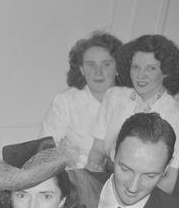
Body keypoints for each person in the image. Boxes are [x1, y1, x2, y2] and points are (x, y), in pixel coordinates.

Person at [85, 34, 179, 194]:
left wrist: (131, 194)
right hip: (106, 185)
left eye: (151, 68)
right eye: (135, 67)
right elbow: (97, 151)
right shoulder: (114, 97)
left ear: (166, 72)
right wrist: (94, 170)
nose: (140, 75)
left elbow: (171, 180)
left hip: (149, 194)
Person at [40, 31, 123, 169]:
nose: (98, 71)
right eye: (91, 64)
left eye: (106, 64)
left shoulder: (131, 101)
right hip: (76, 175)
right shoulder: (66, 102)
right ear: (82, 69)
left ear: (118, 68)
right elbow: (44, 151)